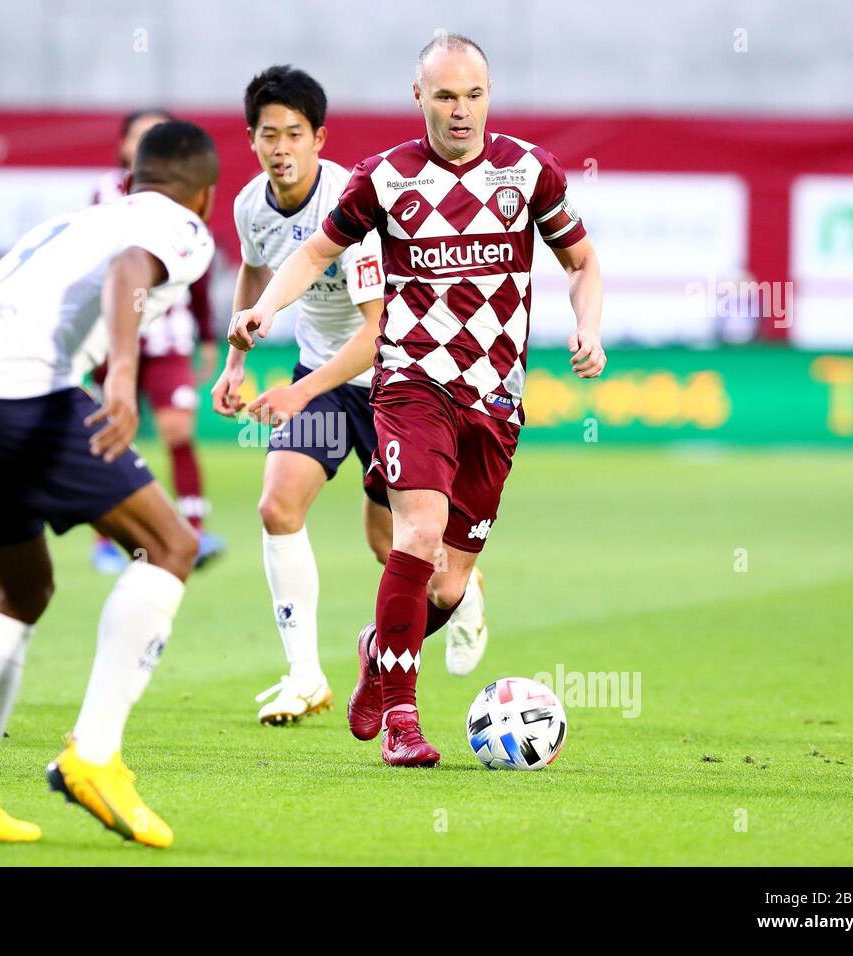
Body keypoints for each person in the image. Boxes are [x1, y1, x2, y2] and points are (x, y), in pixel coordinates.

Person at [228, 35, 606, 766]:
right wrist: (266, 312)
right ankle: (403, 718)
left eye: (473, 95)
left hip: (497, 396)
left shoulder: (530, 172)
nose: (460, 111)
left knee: (450, 583)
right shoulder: (384, 178)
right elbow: (312, 253)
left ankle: (381, 652)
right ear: (419, 98)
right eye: (444, 96)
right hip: (410, 384)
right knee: (418, 531)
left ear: (489, 95)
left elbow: (582, 261)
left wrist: (589, 326)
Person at [0, 120, 217, 848]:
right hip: (23, 392)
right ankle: (95, 755)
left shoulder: (73, 220)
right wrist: (122, 377)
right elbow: (128, 276)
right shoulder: (177, 225)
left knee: (26, 588)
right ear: (203, 194)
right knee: (172, 545)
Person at [213, 65, 491, 728]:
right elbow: (257, 272)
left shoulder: (352, 207)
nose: (281, 147)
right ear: (251, 139)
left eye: (294, 134)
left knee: (393, 549)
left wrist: (296, 391)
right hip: (325, 388)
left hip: (399, 387)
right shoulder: (252, 204)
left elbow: (379, 330)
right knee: (278, 506)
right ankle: (304, 676)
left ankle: (466, 589)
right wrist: (235, 363)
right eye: (268, 134)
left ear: (319, 139)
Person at [89, 110, 223, 573]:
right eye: (140, 136)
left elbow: (199, 277)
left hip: (168, 336)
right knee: (109, 430)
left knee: (177, 431)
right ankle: (108, 538)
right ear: (126, 146)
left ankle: (192, 530)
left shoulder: (184, 204)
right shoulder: (104, 194)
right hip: (111, 336)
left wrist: (207, 336)